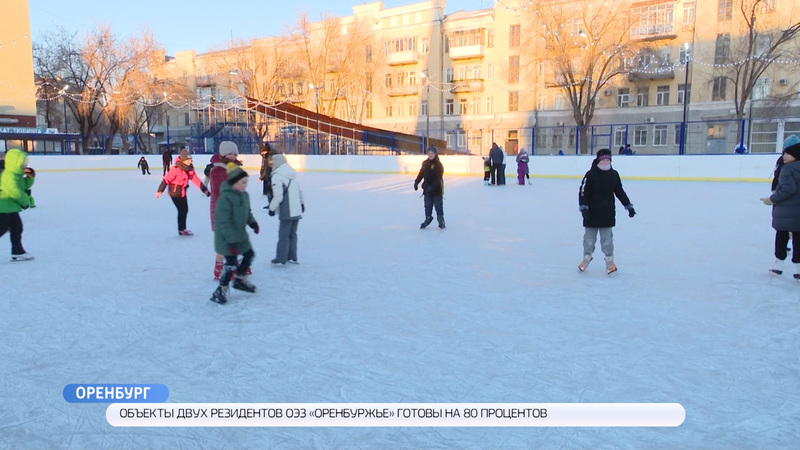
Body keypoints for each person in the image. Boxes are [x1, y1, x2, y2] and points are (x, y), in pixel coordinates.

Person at [578, 148, 635, 275]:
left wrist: (628, 206)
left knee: (607, 240)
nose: (605, 161)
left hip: (607, 213)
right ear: (598, 160)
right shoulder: (591, 174)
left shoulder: (613, 175)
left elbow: (620, 192)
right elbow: (583, 192)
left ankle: (610, 262)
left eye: (608, 159)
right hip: (591, 213)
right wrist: (583, 207)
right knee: (589, 239)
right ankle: (586, 258)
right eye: (603, 159)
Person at [210, 163, 259, 304]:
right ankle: (221, 289)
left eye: (246, 182)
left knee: (249, 255)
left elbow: (247, 212)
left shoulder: (244, 196)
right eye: (242, 182)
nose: (245, 185)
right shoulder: (225, 198)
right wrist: (231, 241)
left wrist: (253, 222)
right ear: (233, 182)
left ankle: (239, 280)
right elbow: (223, 222)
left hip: (240, 235)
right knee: (230, 264)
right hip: (226, 238)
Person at [763, 135, 800, 278]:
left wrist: (772, 199)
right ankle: (798, 270)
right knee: (797, 237)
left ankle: (778, 265)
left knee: (781, 235)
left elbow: (787, 189)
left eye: (786, 152)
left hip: (785, 209)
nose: (783, 155)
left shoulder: (787, 168)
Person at [208, 141, 243, 279]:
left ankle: (233, 265)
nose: (233, 156)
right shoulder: (217, 170)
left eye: (235, 154)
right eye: (230, 153)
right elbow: (217, 192)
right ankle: (219, 268)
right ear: (223, 154)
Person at [156, 154, 210, 236]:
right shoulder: (175, 169)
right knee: (182, 210)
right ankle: (181, 229)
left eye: (191, 159)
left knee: (184, 209)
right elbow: (166, 180)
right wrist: (160, 190)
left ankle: (182, 229)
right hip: (174, 192)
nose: (190, 161)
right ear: (183, 160)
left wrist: (204, 189)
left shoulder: (190, 169)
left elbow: (195, 179)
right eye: (188, 159)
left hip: (182, 192)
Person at [267, 153, 305, 264]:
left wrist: (271, 208)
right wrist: (302, 204)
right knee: (293, 234)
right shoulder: (291, 174)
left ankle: (281, 257)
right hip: (297, 209)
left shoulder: (277, 176)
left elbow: (278, 196)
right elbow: (299, 191)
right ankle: (292, 256)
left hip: (287, 210)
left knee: (283, 235)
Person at [0, 148, 35, 261]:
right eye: (23, 162)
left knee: (17, 228)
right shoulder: (8, 176)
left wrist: (30, 177)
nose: (25, 164)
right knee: (2, 228)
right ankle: (17, 250)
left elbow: (24, 186)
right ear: (15, 163)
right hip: (3, 207)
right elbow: (15, 192)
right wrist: (25, 202)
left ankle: (18, 251)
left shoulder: (16, 175)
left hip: (10, 208)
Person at [414, 145, 445, 229]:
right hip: (427, 189)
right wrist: (416, 182)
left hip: (437, 190)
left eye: (432, 153)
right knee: (427, 206)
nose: (430, 155)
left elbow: (438, 178)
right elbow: (421, 174)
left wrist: (432, 187)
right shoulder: (425, 163)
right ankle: (428, 218)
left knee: (438, 206)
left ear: (435, 154)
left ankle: (441, 219)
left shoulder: (438, 165)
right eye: (429, 153)